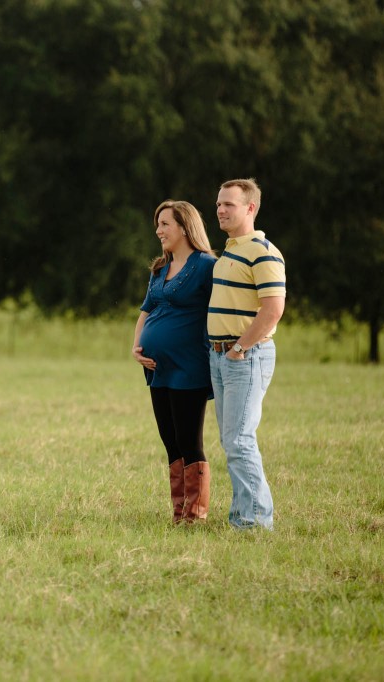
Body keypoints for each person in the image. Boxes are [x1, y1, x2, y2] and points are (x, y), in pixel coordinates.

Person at [207, 178, 285, 530]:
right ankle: (242, 516)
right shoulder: (229, 251)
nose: (221, 210)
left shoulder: (262, 251)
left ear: (250, 208)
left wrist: (239, 348)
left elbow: (273, 309)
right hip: (221, 356)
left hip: (245, 356)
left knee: (239, 438)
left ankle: (254, 523)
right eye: (219, 204)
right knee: (231, 440)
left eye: (230, 204)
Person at [132, 200, 217, 523]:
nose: (158, 230)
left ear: (184, 226)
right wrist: (137, 346)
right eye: (158, 224)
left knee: (188, 439)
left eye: (165, 223)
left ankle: (196, 513)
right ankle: (179, 512)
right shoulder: (160, 269)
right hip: (157, 368)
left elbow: (222, 309)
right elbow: (146, 311)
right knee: (169, 439)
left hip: (189, 366)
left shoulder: (207, 266)